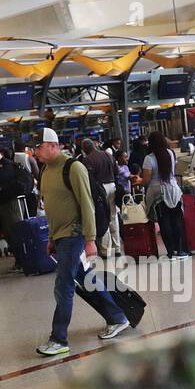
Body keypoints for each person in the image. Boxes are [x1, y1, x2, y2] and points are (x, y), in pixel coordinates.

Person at [33, 127, 129, 357]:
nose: (35, 151)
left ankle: (58, 339)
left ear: (53, 146)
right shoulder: (46, 171)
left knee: (63, 285)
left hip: (75, 234)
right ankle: (117, 317)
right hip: (61, 236)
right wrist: (52, 238)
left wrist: (90, 239)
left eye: (39, 146)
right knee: (85, 279)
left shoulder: (73, 168)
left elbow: (87, 204)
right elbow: (52, 207)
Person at [142, 134, 189, 260]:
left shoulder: (149, 158)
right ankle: (180, 251)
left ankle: (170, 252)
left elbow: (146, 179)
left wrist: (139, 181)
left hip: (158, 193)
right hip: (174, 190)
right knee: (176, 221)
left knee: (164, 222)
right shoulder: (170, 153)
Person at [81, 138, 121, 252]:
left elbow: (89, 178)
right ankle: (117, 248)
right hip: (112, 186)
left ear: (84, 149)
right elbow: (116, 171)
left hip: (100, 190)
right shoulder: (108, 155)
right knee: (113, 217)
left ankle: (105, 249)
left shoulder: (87, 160)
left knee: (102, 218)